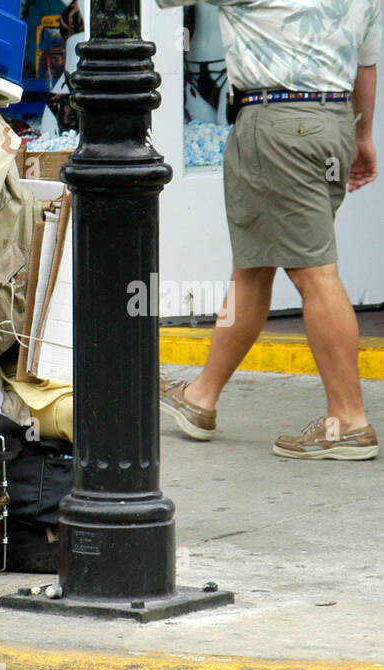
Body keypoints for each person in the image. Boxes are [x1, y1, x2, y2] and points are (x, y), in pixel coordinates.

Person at [158, 0, 380, 460]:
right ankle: (201, 397)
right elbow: (365, 63)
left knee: (313, 271)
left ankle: (349, 420)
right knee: (254, 266)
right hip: (334, 121)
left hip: (278, 124)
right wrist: (361, 137)